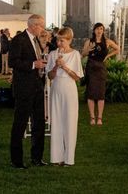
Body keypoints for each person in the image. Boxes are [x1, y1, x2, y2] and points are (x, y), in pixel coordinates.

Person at [9, 14, 48, 169]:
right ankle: (17, 160)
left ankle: (37, 158)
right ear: (34, 25)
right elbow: (13, 61)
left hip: (38, 87)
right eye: (41, 26)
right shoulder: (19, 40)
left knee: (39, 123)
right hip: (24, 89)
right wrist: (33, 64)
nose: (43, 29)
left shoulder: (37, 40)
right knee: (20, 124)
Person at [47, 27, 83, 166]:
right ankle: (56, 157)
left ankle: (69, 158)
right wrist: (56, 67)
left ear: (69, 40)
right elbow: (50, 76)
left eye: (62, 40)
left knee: (70, 121)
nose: (59, 43)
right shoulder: (52, 54)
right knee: (56, 121)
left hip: (69, 88)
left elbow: (77, 77)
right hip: (56, 88)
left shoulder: (75, 54)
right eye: (57, 40)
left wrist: (65, 67)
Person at [81, 22, 120, 125]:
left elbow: (118, 49)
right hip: (91, 68)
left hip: (101, 68)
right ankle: (92, 117)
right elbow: (83, 54)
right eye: (97, 29)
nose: (99, 31)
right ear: (94, 30)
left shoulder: (107, 41)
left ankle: (99, 118)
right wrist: (88, 50)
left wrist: (108, 56)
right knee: (91, 93)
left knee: (101, 93)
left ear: (103, 31)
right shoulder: (89, 41)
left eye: (101, 29)